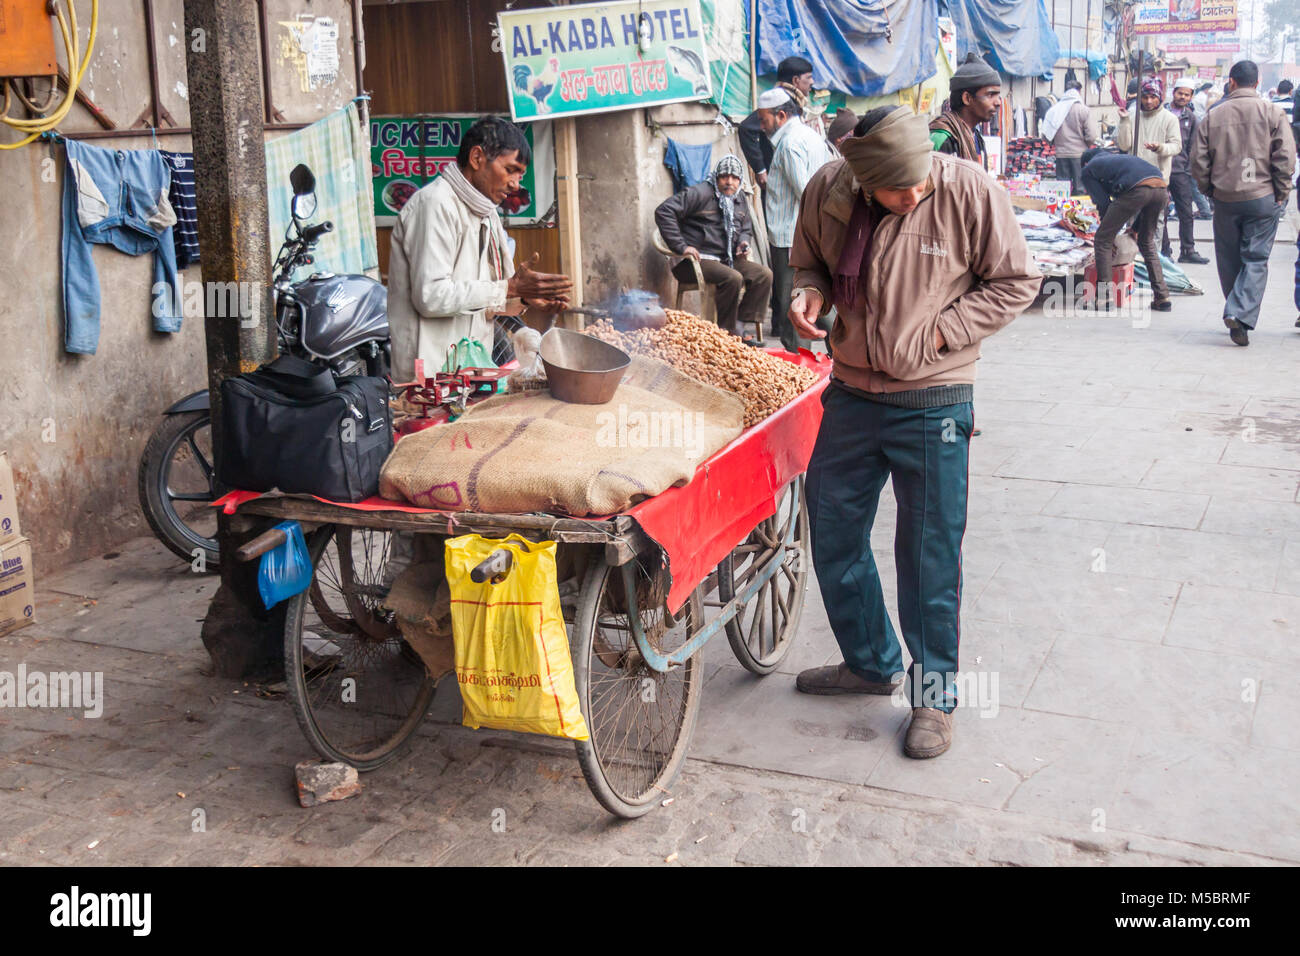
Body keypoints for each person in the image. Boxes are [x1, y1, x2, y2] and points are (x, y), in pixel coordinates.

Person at [787, 106, 1040, 760]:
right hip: (851, 390)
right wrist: (809, 294)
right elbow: (810, 261)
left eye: (921, 179)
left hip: (935, 397)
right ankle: (870, 661)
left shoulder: (965, 189)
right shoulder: (826, 189)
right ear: (862, 178)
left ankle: (934, 699)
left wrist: (940, 334)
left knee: (928, 550)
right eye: (900, 188)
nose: (916, 192)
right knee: (833, 524)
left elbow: (1015, 282)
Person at [387, 116, 571, 380]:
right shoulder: (435, 205)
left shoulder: (487, 212)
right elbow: (431, 296)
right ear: (477, 158)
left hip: (470, 370)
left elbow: (487, 298)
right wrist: (510, 287)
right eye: (510, 170)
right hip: (429, 379)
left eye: (520, 175)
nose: (516, 184)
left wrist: (525, 299)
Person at [1190, 59, 1297, 346]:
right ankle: (1239, 313)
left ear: (1232, 82)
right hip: (1262, 197)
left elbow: (1197, 160)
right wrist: (1282, 191)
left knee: (1229, 259)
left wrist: (1209, 189)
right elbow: (1285, 157)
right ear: (1258, 83)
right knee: (1256, 258)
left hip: (1225, 198)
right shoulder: (1272, 112)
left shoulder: (1213, 115)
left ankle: (1237, 314)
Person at [653, 154, 772, 343]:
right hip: (693, 262)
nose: (729, 182)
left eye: (734, 178)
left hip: (726, 259)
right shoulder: (700, 193)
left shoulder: (739, 198)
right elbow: (664, 211)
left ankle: (739, 326)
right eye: (724, 176)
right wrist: (681, 246)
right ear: (716, 177)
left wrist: (743, 243)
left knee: (764, 275)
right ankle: (724, 333)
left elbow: (746, 227)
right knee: (732, 277)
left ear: (740, 181)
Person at [760, 87, 834, 352]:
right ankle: (843, 348)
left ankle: (797, 358)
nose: (762, 126)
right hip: (809, 233)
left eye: (764, 119)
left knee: (793, 300)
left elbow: (805, 193)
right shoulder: (811, 137)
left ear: (780, 115)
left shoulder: (790, 145)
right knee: (814, 294)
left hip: (791, 236)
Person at [1081, 148, 1172, 312]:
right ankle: (1162, 296)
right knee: (1146, 241)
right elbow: (1145, 195)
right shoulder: (1118, 160)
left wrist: (1108, 231)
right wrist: (1135, 228)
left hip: (1139, 190)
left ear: (1085, 163)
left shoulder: (1089, 169)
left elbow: (1103, 204)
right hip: (1161, 189)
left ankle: (1104, 297)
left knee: (1102, 240)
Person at [737, 56, 817, 190]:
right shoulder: (778, 101)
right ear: (796, 80)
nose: (812, 82)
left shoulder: (795, 101)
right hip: (777, 178)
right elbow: (746, 128)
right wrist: (760, 170)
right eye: (808, 77)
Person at [1164, 78, 1210, 263]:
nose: (1182, 97)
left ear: (1190, 96)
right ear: (1173, 93)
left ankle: (1188, 250)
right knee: (1161, 212)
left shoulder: (1191, 118)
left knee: (1186, 212)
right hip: (1160, 169)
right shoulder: (1162, 113)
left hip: (1180, 171)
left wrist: (1189, 169)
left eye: (1186, 94)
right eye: (1179, 93)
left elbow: (1194, 146)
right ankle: (1164, 251)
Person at [929, 52, 1001, 167]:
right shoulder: (941, 139)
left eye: (998, 96)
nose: (998, 102)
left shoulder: (976, 138)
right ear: (967, 98)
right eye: (990, 94)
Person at [1041, 80, 1099, 194]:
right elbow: (1091, 136)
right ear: (1079, 92)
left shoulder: (1055, 110)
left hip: (1061, 155)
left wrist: (1056, 144)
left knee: (1062, 189)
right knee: (1080, 188)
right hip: (1079, 155)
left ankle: (1063, 210)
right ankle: (1079, 211)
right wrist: (1085, 146)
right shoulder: (1083, 110)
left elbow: (1045, 134)